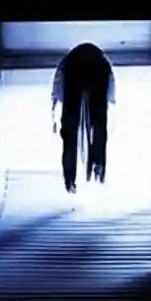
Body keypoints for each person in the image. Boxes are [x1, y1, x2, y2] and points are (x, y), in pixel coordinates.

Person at [51, 42, 116, 193]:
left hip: (74, 70)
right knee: (99, 123)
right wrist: (112, 100)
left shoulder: (69, 61)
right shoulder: (100, 61)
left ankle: (70, 179)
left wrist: (55, 102)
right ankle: (97, 165)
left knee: (70, 130)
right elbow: (110, 77)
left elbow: (59, 77)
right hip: (97, 70)